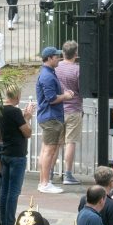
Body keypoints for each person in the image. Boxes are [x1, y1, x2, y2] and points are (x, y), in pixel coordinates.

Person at [36, 46, 74, 193]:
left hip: (49, 117)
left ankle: (43, 182)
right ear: (50, 58)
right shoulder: (47, 76)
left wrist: (63, 94)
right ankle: (45, 183)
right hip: (51, 118)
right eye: (57, 56)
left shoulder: (48, 73)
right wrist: (65, 96)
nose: (59, 58)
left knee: (46, 150)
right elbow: (51, 99)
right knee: (49, 151)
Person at [0, 83, 33, 225]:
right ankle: (10, 223)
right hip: (17, 155)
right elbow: (27, 133)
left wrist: (22, 118)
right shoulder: (15, 112)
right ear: (16, 96)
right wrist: (28, 118)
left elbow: (12, 128)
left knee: (4, 190)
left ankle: (3, 221)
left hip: (5, 152)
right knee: (14, 191)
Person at [56, 42, 82, 186]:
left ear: (63, 53)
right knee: (70, 142)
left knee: (56, 142)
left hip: (58, 108)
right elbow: (81, 88)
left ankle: (50, 172)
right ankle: (68, 173)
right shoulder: (77, 70)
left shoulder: (56, 67)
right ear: (75, 54)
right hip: (73, 108)